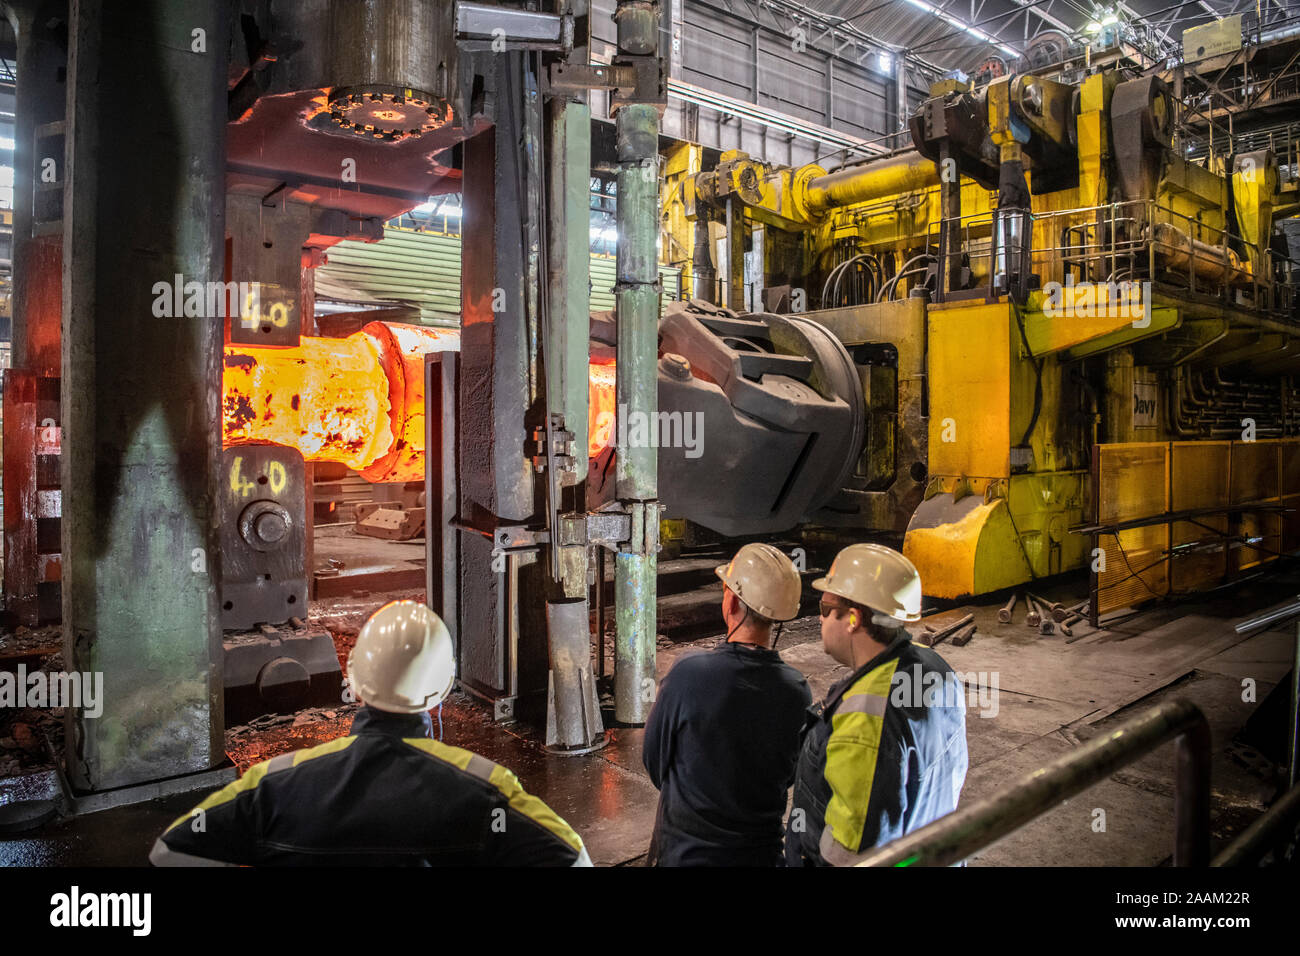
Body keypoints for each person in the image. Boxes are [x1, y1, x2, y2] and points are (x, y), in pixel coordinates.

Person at [151, 600, 591, 866]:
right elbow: (570, 859)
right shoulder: (486, 791)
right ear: (440, 691)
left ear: (353, 681)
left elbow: (170, 851)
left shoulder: (274, 784)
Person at [785, 543, 968, 866]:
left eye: (825, 607)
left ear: (853, 618)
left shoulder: (865, 721)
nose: (819, 618)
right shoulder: (936, 668)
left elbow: (845, 856)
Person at [642, 543, 812, 866]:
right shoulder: (797, 691)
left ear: (731, 600)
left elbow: (654, 761)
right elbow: (789, 775)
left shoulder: (687, 675)